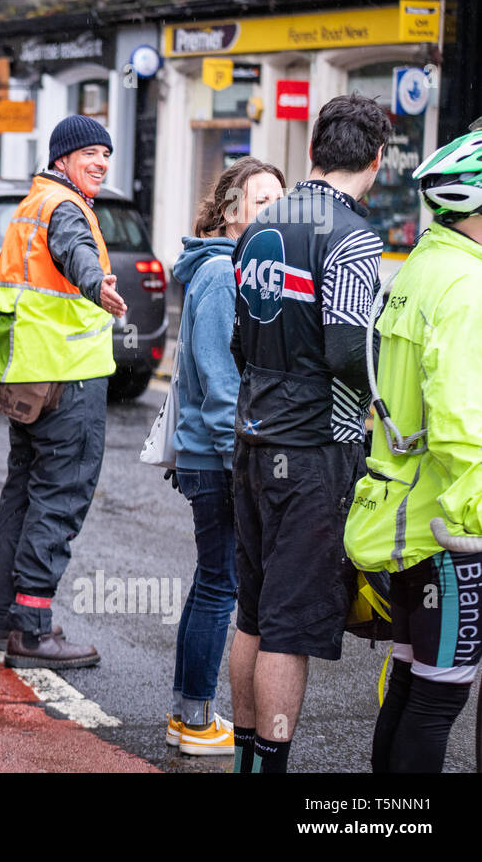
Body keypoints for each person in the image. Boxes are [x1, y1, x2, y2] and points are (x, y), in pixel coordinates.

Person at [228, 93, 390, 773]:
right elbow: (350, 353)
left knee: (253, 615)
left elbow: (243, 339)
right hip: (315, 449)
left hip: (253, 438)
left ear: (316, 150)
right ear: (378, 161)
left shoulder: (261, 226)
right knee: (288, 632)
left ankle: (244, 762)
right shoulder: (351, 238)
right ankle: (270, 765)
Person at [0, 114, 126, 669]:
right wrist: (94, 283)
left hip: (29, 380)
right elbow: (75, 251)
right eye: (90, 153)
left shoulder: (31, 205)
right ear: (62, 159)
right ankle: (32, 630)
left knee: (23, 496)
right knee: (58, 499)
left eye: (106, 153)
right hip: (68, 380)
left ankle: (2, 620)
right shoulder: (67, 210)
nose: (101, 161)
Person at [344, 126, 482, 773]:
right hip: (449, 529)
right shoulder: (467, 289)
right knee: (436, 701)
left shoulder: (422, 268)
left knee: (411, 684)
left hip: (403, 518)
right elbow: (462, 425)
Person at [164, 157, 285, 756]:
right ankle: (193, 718)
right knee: (221, 585)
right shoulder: (220, 273)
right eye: (262, 202)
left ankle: (189, 710)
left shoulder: (242, 268)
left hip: (216, 456)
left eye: (279, 201)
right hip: (219, 460)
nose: (273, 212)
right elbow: (218, 385)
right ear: (232, 210)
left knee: (213, 581)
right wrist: (241, 464)